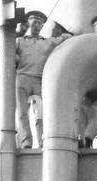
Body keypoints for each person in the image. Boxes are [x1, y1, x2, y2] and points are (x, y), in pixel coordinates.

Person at [15, 9, 69, 147]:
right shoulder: (19, 41)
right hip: (22, 78)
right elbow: (5, 51)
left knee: (41, 113)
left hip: (39, 80)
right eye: (34, 22)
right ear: (28, 23)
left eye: (40, 23)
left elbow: (63, 39)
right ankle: (25, 141)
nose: (37, 25)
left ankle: (42, 141)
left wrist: (67, 34)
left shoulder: (46, 42)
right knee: (22, 113)